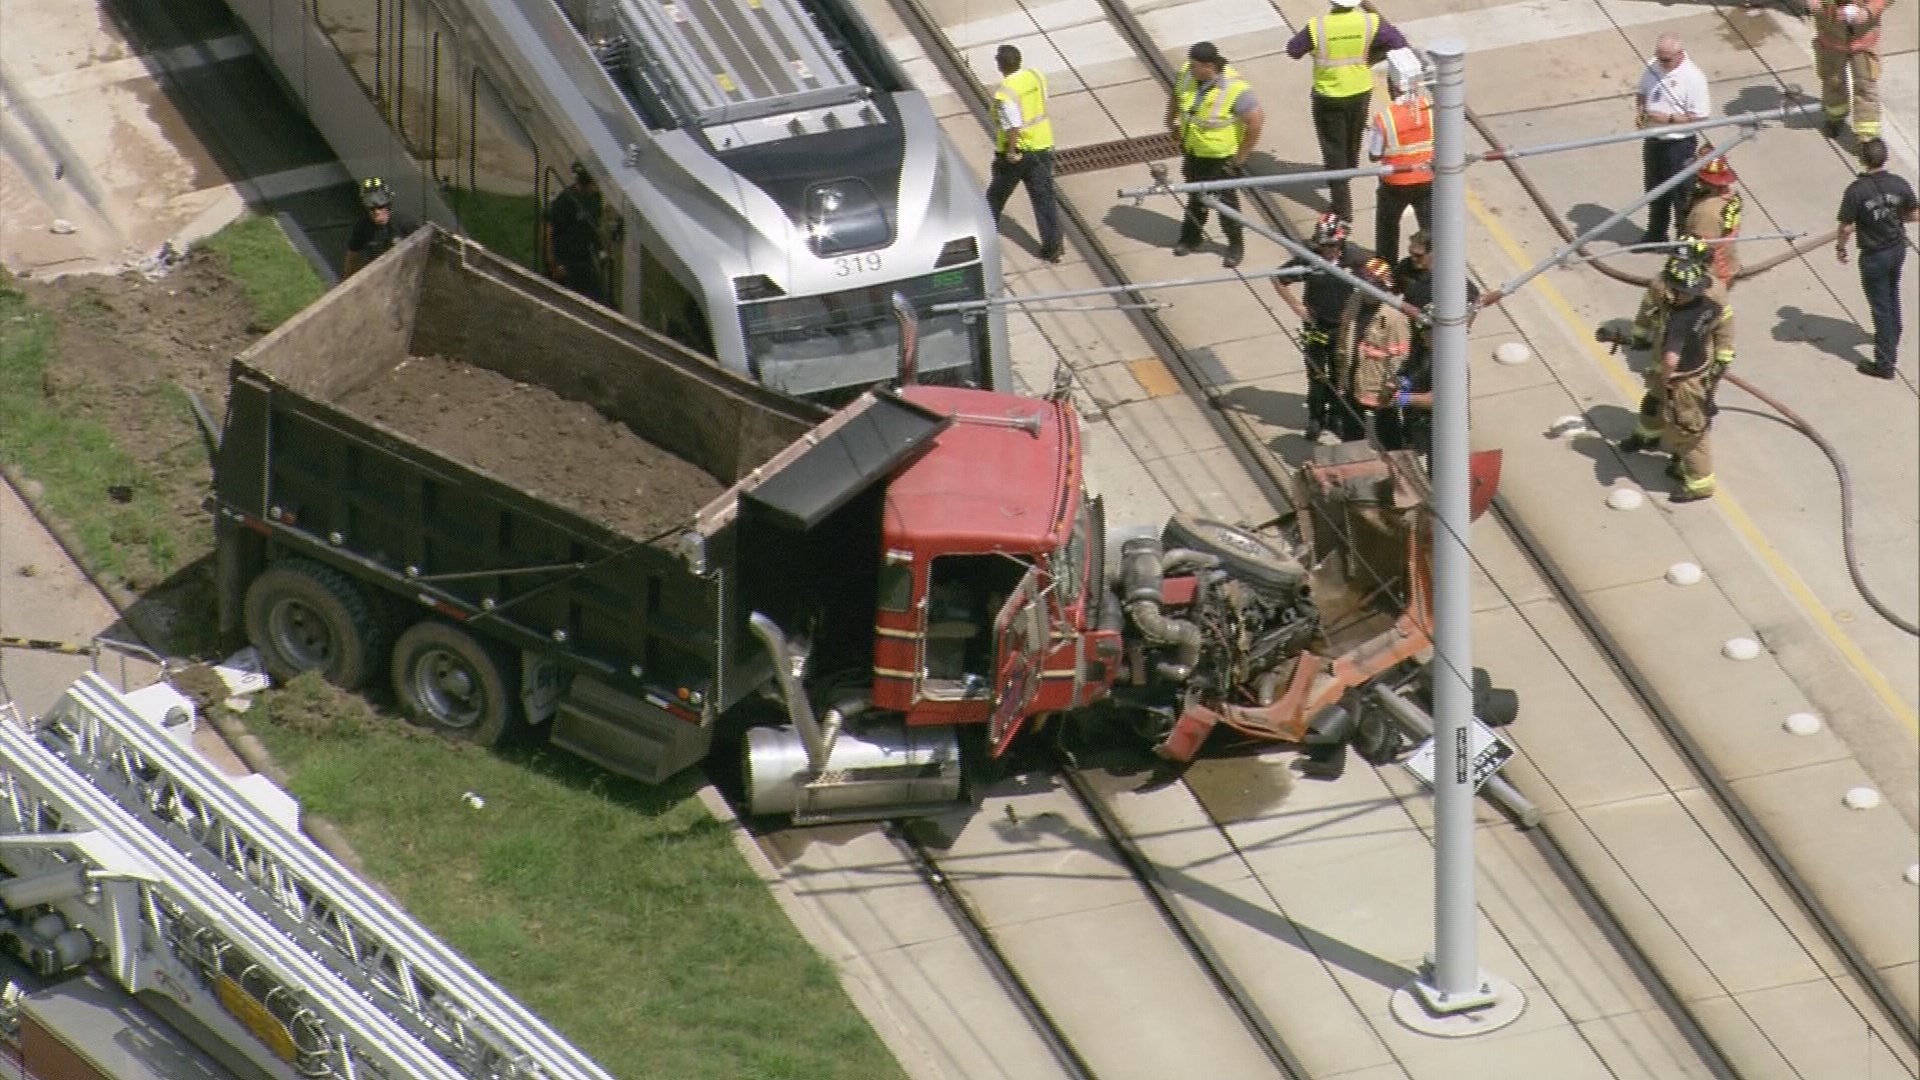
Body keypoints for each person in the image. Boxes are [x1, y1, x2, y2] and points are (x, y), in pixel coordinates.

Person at [1602, 251, 1731, 503]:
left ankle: (1699, 483)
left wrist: (1665, 377)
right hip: (1686, 369)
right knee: (1654, 403)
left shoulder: (1679, 321)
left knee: (1690, 433)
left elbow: (1672, 357)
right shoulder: (1709, 304)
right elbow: (1722, 322)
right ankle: (1647, 437)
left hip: (1681, 380)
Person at [1286, 0, 1406, 224]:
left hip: (1329, 95)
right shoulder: (1370, 22)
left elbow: (1293, 50)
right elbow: (1399, 43)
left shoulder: (1317, 26)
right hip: (1360, 90)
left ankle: (1342, 208)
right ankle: (1348, 170)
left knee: (1333, 151)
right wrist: (1371, 57)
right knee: (1353, 139)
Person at [1275, 213, 1373, 442]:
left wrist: (1366, 304)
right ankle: (1316, 417)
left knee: (1344, 376)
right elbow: (1279, 278)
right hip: (1316, 326)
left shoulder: (1355, 257)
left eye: (1332, 245)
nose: (1327, 250)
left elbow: (1380, 273)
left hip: (1345, 329)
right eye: (1323, 245)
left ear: (1340, 242)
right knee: (1317, 374)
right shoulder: (1308, 259)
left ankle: (1338, 415)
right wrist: (1296, 306)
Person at [1166, 42, 1264, 269]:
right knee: (1194, 198)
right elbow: (1177, 96)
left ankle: (1235, 246)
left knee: (1226, 206)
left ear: (1209, 66)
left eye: (1195, 66)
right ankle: (1191, 238)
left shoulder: (1235, 88)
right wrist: (1171, 121)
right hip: (1193, 150)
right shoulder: (1187, 74)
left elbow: (1256, 122)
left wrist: (1241, 157)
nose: (1190, 69)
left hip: (1221, 157)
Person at [1391, 231, 1479, 456]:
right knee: (1408, 383)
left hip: (1439, 349)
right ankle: (1413, 436)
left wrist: (1463, 328)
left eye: (1419, 255)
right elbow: (1392, 289)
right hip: (1415, 345)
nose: (1413, 259)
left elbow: (1475, 300)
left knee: (1443, 407)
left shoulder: (1452, 280)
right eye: (1411, 253)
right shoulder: (1406, 269)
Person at [1836, 138, 1918, 379]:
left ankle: (1885, 364)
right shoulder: (1899, 184)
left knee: (1880, 307)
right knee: (1892, 295)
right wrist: (1891, 219)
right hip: (1897, 249)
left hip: (1874, 256)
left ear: (1862, 160)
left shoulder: (1856, 191)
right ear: (1885, 158)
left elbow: (1845, 227)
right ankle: (1893, 335)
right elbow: (1915, 213)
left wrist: (1840, 248)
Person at [986, 45, 1062, 263]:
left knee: (995, 197)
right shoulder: (1035, 76)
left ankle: (984, 237)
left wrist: (1011, 152)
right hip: (1042, 146)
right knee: (1044, 199)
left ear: (1000, 65)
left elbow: (1013, 126)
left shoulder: (1005, 92)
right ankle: (1053, 247)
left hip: (1017, 153)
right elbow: (1042, 102)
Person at [1634, 34, 1710, 246]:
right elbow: (1641, 91)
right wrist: (1640, 112)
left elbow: (1700, 117)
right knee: (1654, 188)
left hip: (1679, 145)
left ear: (1679, 55)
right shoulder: (1655, 65)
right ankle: (1655, 234)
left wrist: (1667, 119)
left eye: (1666, 59)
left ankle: (1683, 242)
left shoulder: (1694, 78)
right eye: (1659, 57)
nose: (1661, 63)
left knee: (1681, 194)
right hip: (1653, 140)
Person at [1366, 48, 1432, 265]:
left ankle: (1386, 273)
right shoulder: (1432, 109)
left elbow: (1374, 155)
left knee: (1387, 227)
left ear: (1392, 87)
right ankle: (1432, 268)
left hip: (1394, 183)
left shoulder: (1385, 118)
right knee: (1431, 229)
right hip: (1427, 179)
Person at [1346, 256, 1417, 448]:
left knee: (1387, 432)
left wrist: (1390, 387)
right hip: (1354, 378)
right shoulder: (1356, 300)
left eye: (1369, 284)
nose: (1363, 288)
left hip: (1379, 384)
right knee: (1351, 431)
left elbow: (1400, 357)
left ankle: (1400, 469)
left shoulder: (1394, 316)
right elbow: (1346, 335)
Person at [1812, 0, 1890, 141]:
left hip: (1864, 43)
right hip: (1831, 43)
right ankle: (1835, 117)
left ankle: (1868, 135)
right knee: (1833, 81)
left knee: (1866, 86)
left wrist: (1868, 11)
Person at [545, 163, 609, 305]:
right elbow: (549, 231)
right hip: (565, 260)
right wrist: (553, 265)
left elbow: (593, 227)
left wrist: (600, 250)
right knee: (568, 303)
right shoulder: (566, 200)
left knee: (599, 301)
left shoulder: (596, 199)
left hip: (584, 259)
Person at [1681, 152, 1743, 290]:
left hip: (1711, 274)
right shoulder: (1730, 195)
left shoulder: (1706, 213)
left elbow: (1700, 248)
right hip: (1728, 262)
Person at [344, 177, 411, 277]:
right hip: (379, 274)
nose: (376, 212)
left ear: (388, 205)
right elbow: (353, 254)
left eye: (380, 206)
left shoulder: (403, 222)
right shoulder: (363, 226)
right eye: (371, 208)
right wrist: (346, 278)